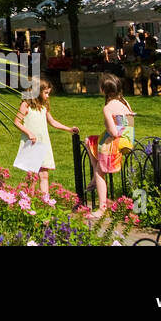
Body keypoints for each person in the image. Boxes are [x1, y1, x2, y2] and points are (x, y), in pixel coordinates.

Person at [13, 77, 77, 197]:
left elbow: (52, 122)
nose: (48, 96)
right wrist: (29, 133)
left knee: (44, 174)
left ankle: (45, 202)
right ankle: (28, 202)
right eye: (46, 93)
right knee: (32, 176)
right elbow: (16, 121)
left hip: (43, 144)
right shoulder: (25, 105)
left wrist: (69, 129)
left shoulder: (44, 106)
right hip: (32, 144)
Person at [86, 74, 135, 219]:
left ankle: (101, 208)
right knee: (89, 141)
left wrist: (108, 128)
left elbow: (114, 132)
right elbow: (127, 124)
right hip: (127, 139)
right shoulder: (124, 102)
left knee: (101, 172)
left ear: (103, 90)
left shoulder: (108, 108)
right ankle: (95, 175)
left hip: (116, 141)